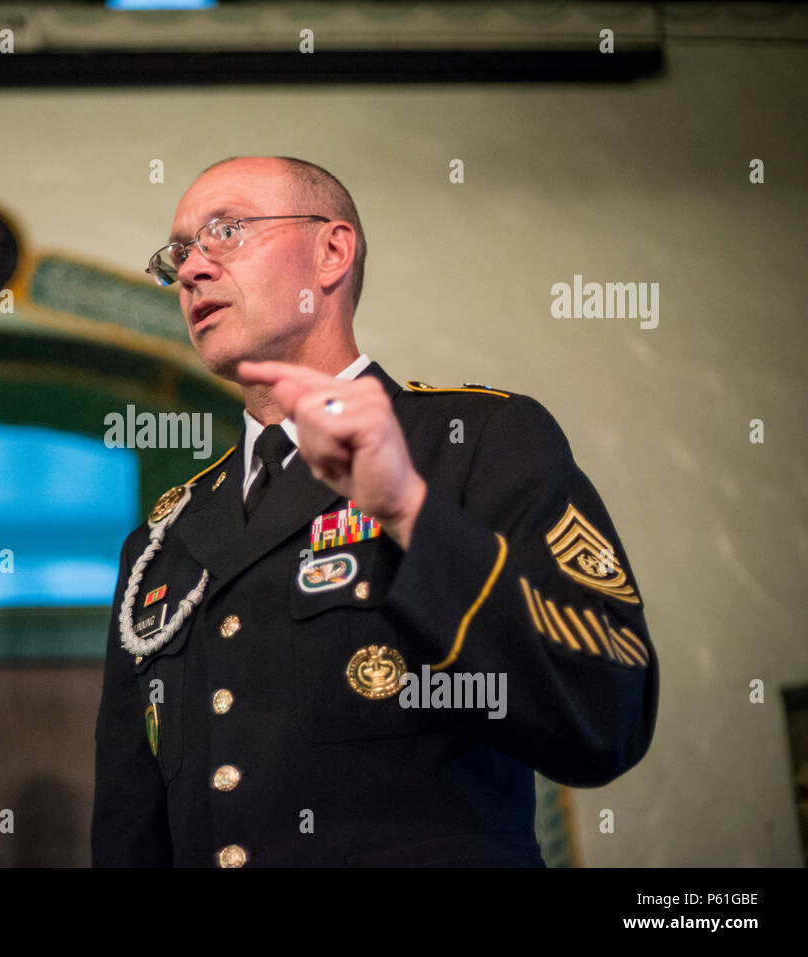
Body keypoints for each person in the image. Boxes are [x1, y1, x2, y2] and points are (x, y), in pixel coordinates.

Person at [91, 156, 658, 867]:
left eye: (226, 231)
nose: (193, 270)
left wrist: (409, 511)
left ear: (332, 252)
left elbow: (606, 710)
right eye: (178, 253)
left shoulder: (473, 443)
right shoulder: (161, 543)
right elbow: (129, 830)